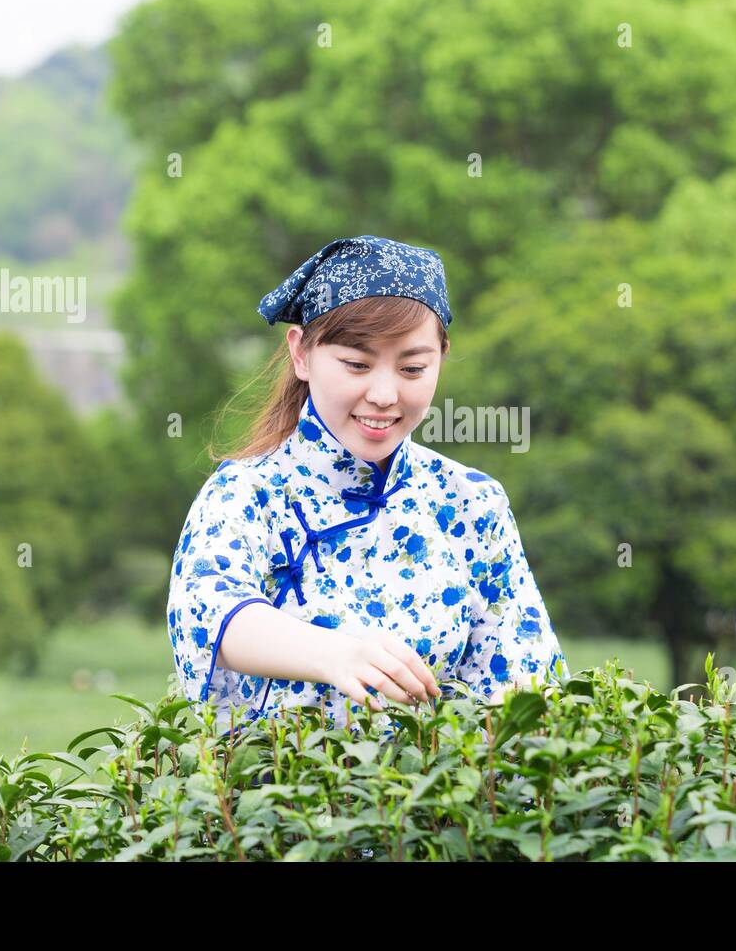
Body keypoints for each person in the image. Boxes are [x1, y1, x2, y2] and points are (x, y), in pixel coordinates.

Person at [166, 234, 569, 737]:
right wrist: (332, 653)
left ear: (441, 359)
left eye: (413, 368)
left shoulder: (473, 503)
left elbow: (524, 691)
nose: (383, 395)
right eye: (356, 364)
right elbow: (208, 614)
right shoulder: (246, 492)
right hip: (268, 808)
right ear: (302, 355)